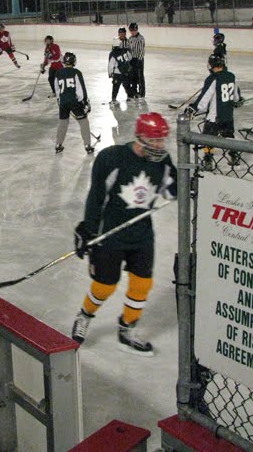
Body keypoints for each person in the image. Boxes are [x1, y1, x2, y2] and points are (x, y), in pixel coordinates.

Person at [71, 112, 177, 356]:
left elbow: (171, 192)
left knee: (142, 284)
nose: (161, 147)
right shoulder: (112, 158)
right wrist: (88, 229)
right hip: (111, 234)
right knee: (104, 286)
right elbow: (97, 197)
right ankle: (85, 315)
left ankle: (127, 328)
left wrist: (184, 184)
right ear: (140, 138)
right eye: (156, 141)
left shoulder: (163, 162)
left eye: (163, 141)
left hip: (142, 235)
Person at [185, 53, 242, 170]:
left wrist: (193, 109)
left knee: (208, 138)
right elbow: (236, 95)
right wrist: (237, 100)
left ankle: (208, 159)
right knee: (228, 135)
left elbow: (204, 97)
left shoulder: (212, 79)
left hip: (214, 117)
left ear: (211, 65)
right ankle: (234, 155)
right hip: (228, 115)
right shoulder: (231, 76)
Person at [53, 52, 94, 155]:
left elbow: (57, 90)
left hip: (63, 102)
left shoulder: (58, 73)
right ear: (74, 62)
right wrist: (84, 102)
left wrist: (60, 100)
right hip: (74, 102)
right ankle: (87, 145)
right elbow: (80, 90)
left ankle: (58, 145)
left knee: (63, 123)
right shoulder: (76, 72)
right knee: (84, 121)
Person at [107, 28, 133, 107]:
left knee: (116, 87)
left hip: (117, 73)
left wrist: (110, 73)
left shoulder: (113, 53)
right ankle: (130, 97)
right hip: (126, 71)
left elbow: (110, 65)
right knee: (127, 85)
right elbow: (130, 57)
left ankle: (114, 99)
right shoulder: (125, 50)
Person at [128, 22, 146, 100]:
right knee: (133, 76)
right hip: (132, 59)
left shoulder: (141, 38)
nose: (132, 32)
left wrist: (139, 59)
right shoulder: (130, 38)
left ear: (137, 30)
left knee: (140, 76)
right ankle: (134, 91)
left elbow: (142, 50)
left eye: (134, 30)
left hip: (139, 59)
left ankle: (141, 93)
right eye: (131, 30)